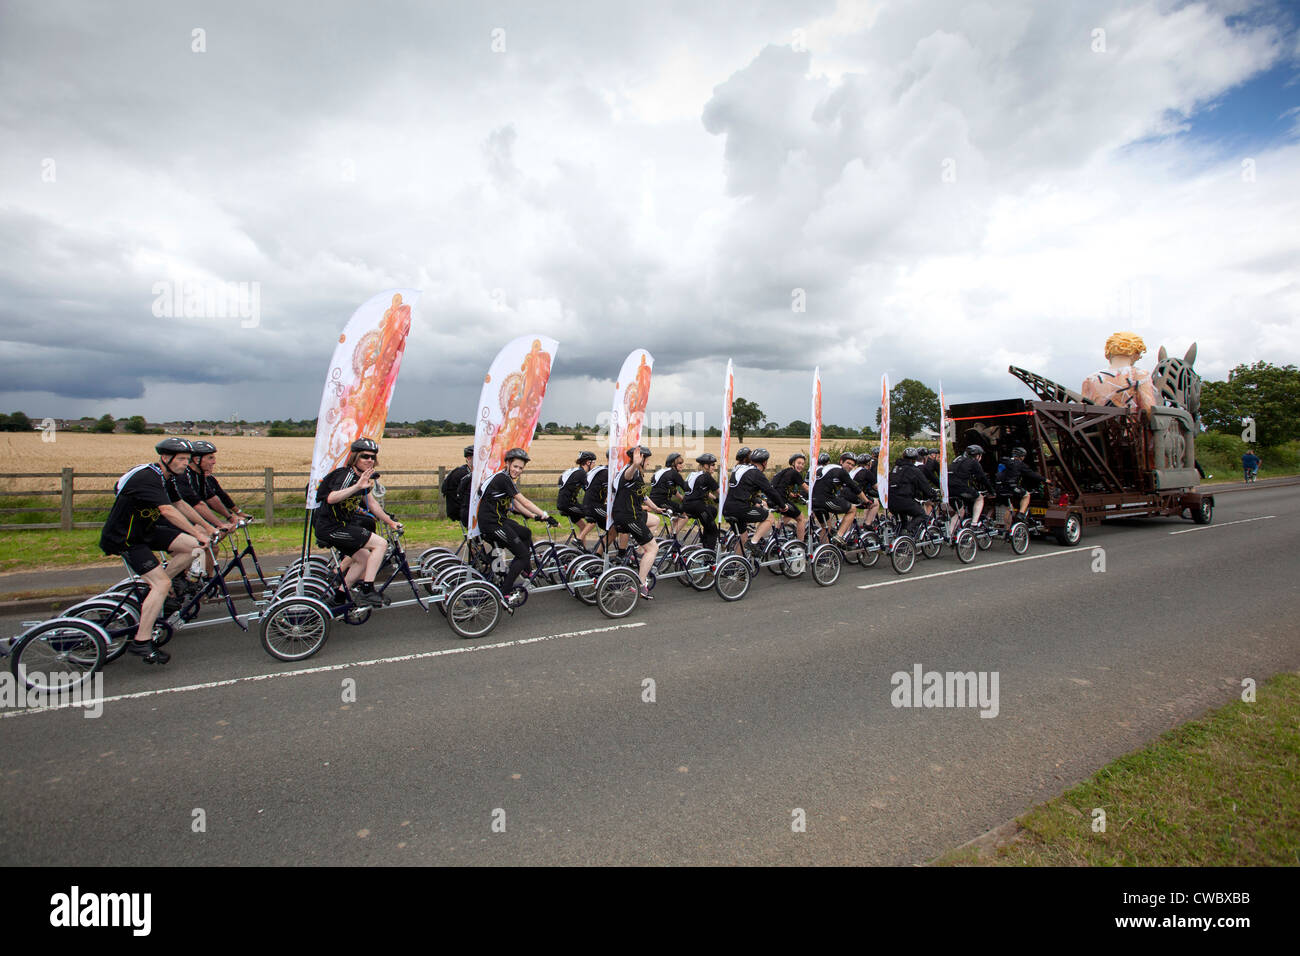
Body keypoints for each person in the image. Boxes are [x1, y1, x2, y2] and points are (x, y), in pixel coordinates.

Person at [98, 438, 212, 665]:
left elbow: (180, 504)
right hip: (126, 538)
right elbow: (168, 510)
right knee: (161, 584)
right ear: (165, 458)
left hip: (145, 532)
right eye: (181, 459)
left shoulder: (166, 477)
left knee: (194, 548)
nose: (184, 464)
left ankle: (163, 586)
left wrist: (209, 528)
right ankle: (142, 641)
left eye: (187, 460)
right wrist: (197, 532)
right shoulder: (149, 477)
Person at [313, 438, 403, 607]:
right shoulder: (347, 475)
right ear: (355, 458)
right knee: (380, 544)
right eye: (365, 456)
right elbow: (331, 498)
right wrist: (357, 486)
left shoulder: (360, 478)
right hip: (331, 527)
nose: (370, 460)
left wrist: (390, 522)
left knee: (363, 558)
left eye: (373, 457)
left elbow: (373, 504)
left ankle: (339, 597)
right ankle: (367, 590)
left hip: (341, 525)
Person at [477, 447, 557, 611]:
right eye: (515, 466)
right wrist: (545, 514)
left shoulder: (505, 478)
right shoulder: (502, 479)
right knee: (523, 554)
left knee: (525, 533)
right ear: (507, 463)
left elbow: (517, 505)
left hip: (500, 520)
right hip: (492, 525)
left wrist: (534, 516)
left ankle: (526, 570)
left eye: (521, 468)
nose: (518, 470)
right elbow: (524, 501)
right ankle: (504, 593)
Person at [611, 445, 669, 599]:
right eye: (647, 460)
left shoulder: (634, 473)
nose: (648, 463)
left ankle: (638, 552)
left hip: (628, 514)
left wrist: (656, 508)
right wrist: (636, 464)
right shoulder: (631, 471)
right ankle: (641, 583)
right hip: (630, 516)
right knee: (653, 549)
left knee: (655, 521)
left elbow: (643, 496)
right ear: (641, 459)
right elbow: (627, 476)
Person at [723, 448, 798, 560]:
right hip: (740, 509)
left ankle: (736, 566)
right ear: (764, 462)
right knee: (769, 518)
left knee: (743, 539)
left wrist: (757, 501)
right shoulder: (756, 473)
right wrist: (783, 506)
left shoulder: (739, 469)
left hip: (727, 509)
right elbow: (771, 492)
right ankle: (753, 543)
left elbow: (742, 490)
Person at [1081, 331, 1157, 412]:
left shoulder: (1090, 379)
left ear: (1108, 352)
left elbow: (1083, 410)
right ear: (1136, 354)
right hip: (1130, 424)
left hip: (1096, 424)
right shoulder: (1140, 375)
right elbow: (1149, 408)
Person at [189, 440, 253, 526]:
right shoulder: (186, 477)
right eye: (210, 458)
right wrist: (223, 522)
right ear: (197, 460)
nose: (214, 462)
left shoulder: (203, 478)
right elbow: (198, 504)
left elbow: (215, 497)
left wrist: (236, 513)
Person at [811, 451, 865, 545]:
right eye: (848, 463)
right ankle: (839, 536)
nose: (850, 466)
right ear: (841, 462)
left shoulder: (827, 468)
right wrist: (866, 501)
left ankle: (825, 552)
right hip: (825, 500)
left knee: (826, 527)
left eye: (852, 465)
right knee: (852, 509)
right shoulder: (841, 471)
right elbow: (855, 489)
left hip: (814, 501)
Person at [887, 448, 936, 537]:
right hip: (904, 500)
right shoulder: (914, 470)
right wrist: (932, 494)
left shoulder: (895, 468)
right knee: (922, 515)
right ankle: (907, 531)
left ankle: (902, 540)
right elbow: (924, 485)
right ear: (915, 459)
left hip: (890, 501)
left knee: (903, 521)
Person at [996, 446, 1045, 529]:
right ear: (1021, 456)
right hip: (1012, 488)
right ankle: (1021, 514)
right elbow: (1032, 474)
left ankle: (1007, 530)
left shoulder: (1005, 462)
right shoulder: (1020, 464)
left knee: (1009, 508)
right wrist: (1045, 480)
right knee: (1026, 495)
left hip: (1000, 488)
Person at [680, 453, 720, 551]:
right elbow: (721, 492)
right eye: (713, 465)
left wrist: (714, 499)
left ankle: (704, 541)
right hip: (697, 506)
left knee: (713, 511)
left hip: (686, 504)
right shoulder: (707, 476)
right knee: (713, 531)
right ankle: (709, 557)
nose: (714, 467)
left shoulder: (692, 474)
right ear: (706, 466)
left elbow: (699, 491)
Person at [949, 444, 992, 533]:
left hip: (948, 489)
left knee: (959, 512)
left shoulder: (957, 460)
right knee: (979, 498)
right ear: (977, 455)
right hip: (960, 488)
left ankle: (950, 535)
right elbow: (982, 478)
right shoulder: (973, 462)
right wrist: (992, 491)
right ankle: (974, 524)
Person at [557, 450, 598, 543]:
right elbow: (589, 490)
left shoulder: (575, 471)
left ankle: (581, 551)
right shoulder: (582, 474)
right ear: (588, 462)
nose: (594, 465)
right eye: (594, 462)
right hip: (568, 505)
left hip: (565, 503)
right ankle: (578, 540)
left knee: (583, 526)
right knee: (594, 517)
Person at [648, 452, 690, 536]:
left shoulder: (662, 472)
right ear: (673, 464)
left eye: (682, 463)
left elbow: (673, 490)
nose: (682, 465)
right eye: (679, 463)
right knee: (685, 513)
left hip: (652, 501)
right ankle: (672, 537)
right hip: (662, 502)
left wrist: (682, 498)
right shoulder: (674, 474)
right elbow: (687, 489)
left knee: (676, 515)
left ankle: (671, 537)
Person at [770, 453, 809, 540]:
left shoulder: (785, 471)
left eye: (803, 464)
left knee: (789, 514)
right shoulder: (795, 473)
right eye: (799, 463)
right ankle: (800, 544)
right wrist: (816, 494)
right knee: (801, 518)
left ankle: (774, 535)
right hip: (781, 500)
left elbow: (781, 486)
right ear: (793, 463)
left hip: (772, 498)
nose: (801, 466)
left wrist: (791, 494)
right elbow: (806, 487)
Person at [441, 445, 474, 529]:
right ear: (469, 458)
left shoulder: (464, 470)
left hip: (460, 507)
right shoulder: (463, 474)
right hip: (459, 509)